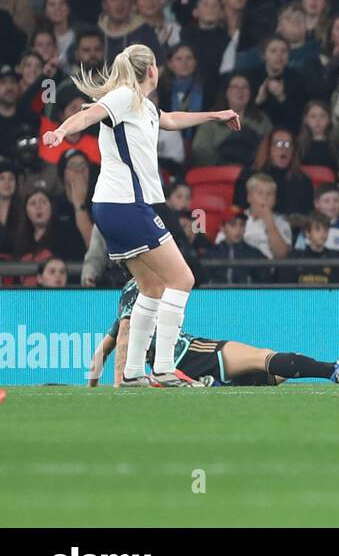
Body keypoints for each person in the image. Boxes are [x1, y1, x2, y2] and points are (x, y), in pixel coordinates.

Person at [41, 44, 241, 387]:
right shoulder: (123, 98)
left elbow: (171, 120)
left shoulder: (143, 106)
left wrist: (215, 115)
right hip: (125, 205)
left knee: (152, 286)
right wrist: (62, 130)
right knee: (183, 279)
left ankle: (133, 373)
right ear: (152, 70)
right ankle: (163, 368)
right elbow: (90, 113)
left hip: (117, 207)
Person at [89, 279, 339, 387]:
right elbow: (124, 332)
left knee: (275, 376)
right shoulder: (140, 285)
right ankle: (334, 370)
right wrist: (118, 385)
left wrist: (93, 385)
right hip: (189, 352)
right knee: (263, 357)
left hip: (183, 361)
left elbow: (101, 353)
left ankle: (206, 382)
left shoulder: (140, 288)